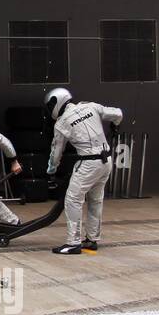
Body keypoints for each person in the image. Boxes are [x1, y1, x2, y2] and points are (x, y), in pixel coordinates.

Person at [45, 87, 122, 256]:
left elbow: (56, 152)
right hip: (106, 161)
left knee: (72, 200)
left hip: (88, 163)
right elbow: (118, 113)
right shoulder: (91, 106)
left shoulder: (61, 122)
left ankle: (73, 243)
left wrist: (51, 169)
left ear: (57, 102)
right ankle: (92, 239)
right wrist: (115, 127)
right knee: (95, 200)